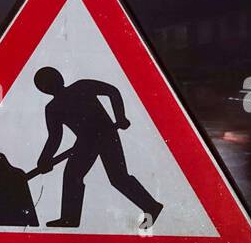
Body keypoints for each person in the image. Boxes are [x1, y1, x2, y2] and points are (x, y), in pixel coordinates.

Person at [32, 66, 163, 229]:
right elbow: (55, 137)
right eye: (46, 83)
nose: (51, 85)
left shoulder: (81, 86)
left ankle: (151, 206)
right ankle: (69, 218)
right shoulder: (52, 108)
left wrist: (120, 117)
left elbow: (112, 91)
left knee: (118, 177)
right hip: (85, 141)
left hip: (106, 134)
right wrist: (44, 158)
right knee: (72, 176)